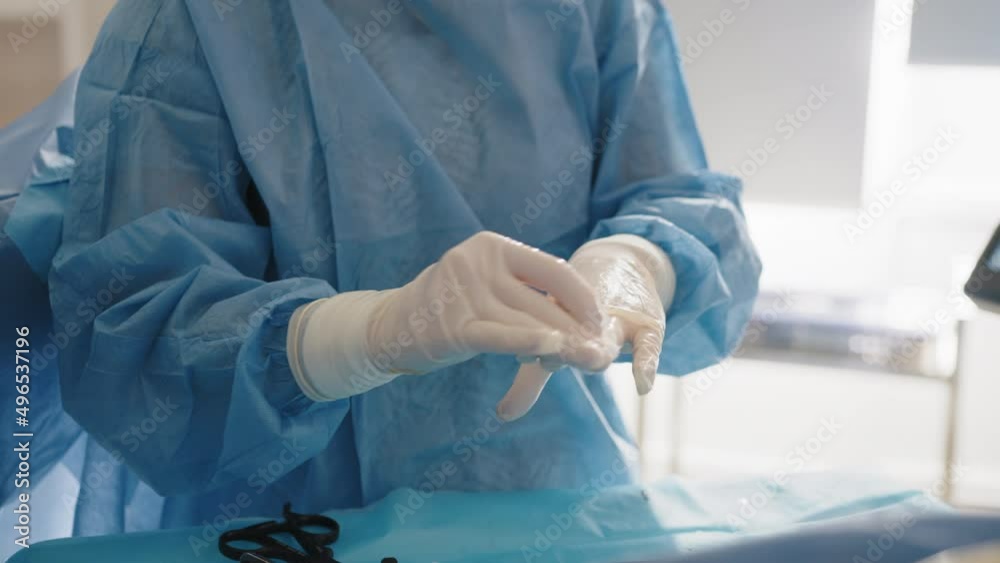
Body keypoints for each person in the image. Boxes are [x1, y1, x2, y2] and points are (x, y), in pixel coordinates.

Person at [11, 0, 760, 535]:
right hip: (293, 528)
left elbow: (671, 191)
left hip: (551, 505)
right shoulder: (197, 20)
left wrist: (637, 259)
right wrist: (363, 336)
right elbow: (136, 327)